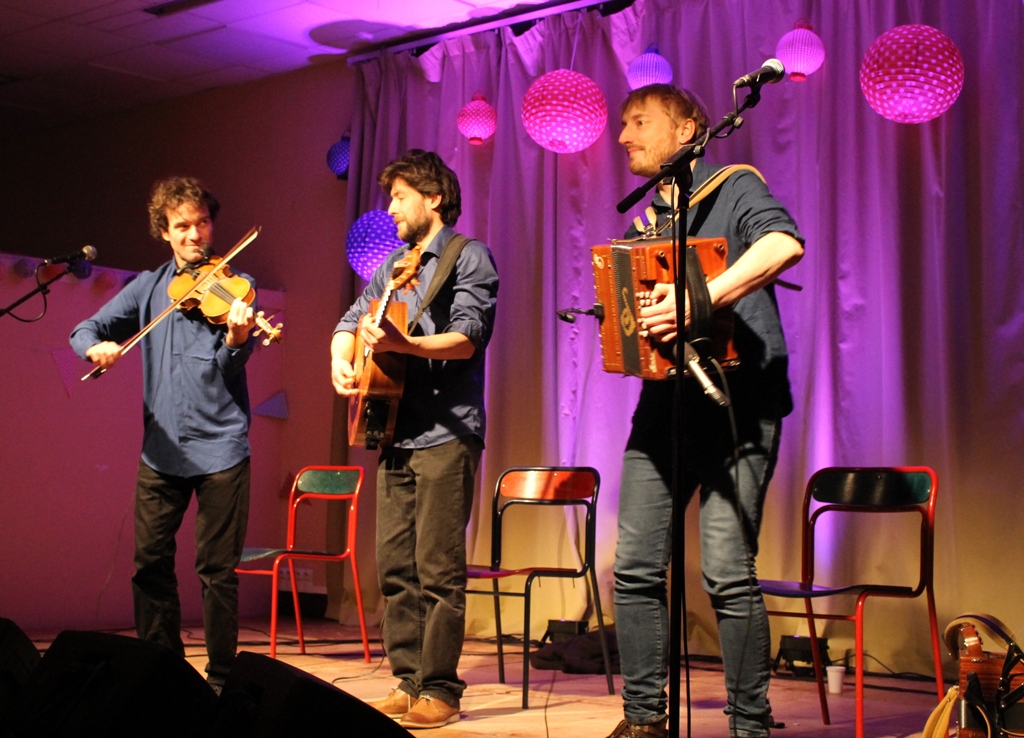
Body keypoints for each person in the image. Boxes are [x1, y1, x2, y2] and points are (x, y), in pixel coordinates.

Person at [606, 85, 805, 738]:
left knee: (726, 572)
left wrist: (701, 296)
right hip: (663, 406)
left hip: (738, 405)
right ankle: (644, 721)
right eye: (623, 124)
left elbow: (782, 246)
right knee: (634, 568)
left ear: (689, 128)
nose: (624, 136)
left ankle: (750, 725)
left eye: (640, 121)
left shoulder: (735, 184)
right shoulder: (649, 221)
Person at [331, 150, 499, 730]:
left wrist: (404, 346)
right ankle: (407, 681)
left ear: (433, 199)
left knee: (438, 570)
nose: (391, 209)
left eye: (400, 197)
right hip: (394, 429)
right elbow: (350, 321)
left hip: (447, 432)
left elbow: (468, 336)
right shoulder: (393, 266)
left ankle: (441, 689)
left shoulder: (468, 255)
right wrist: (341, 360)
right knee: (395, 567)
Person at [70, 176, 258, 693]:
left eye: (203, 222)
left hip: (221, 450)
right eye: (182, 226)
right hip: (162, 451)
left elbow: (230, 366)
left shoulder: (234, 286)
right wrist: (95, 349)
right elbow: (84, 329)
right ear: (165, 232)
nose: (195, 234)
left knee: (217, 572)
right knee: (149, 564)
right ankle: (162, 674)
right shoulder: (149, 288)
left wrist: (237, 338)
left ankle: (221, 681)